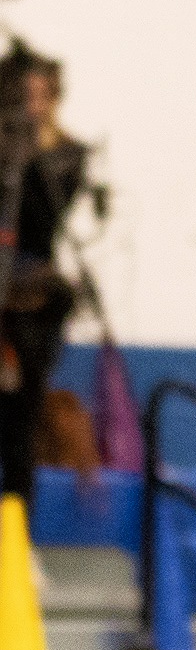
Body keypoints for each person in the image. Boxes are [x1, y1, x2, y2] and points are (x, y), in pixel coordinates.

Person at [0, 49, 89, 513]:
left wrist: (29, 147)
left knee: (20, 420)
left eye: (39, 96)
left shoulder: (66, 155)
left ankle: (16, 535)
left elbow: (42, 218)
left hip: (30, 299)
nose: (29, 106)